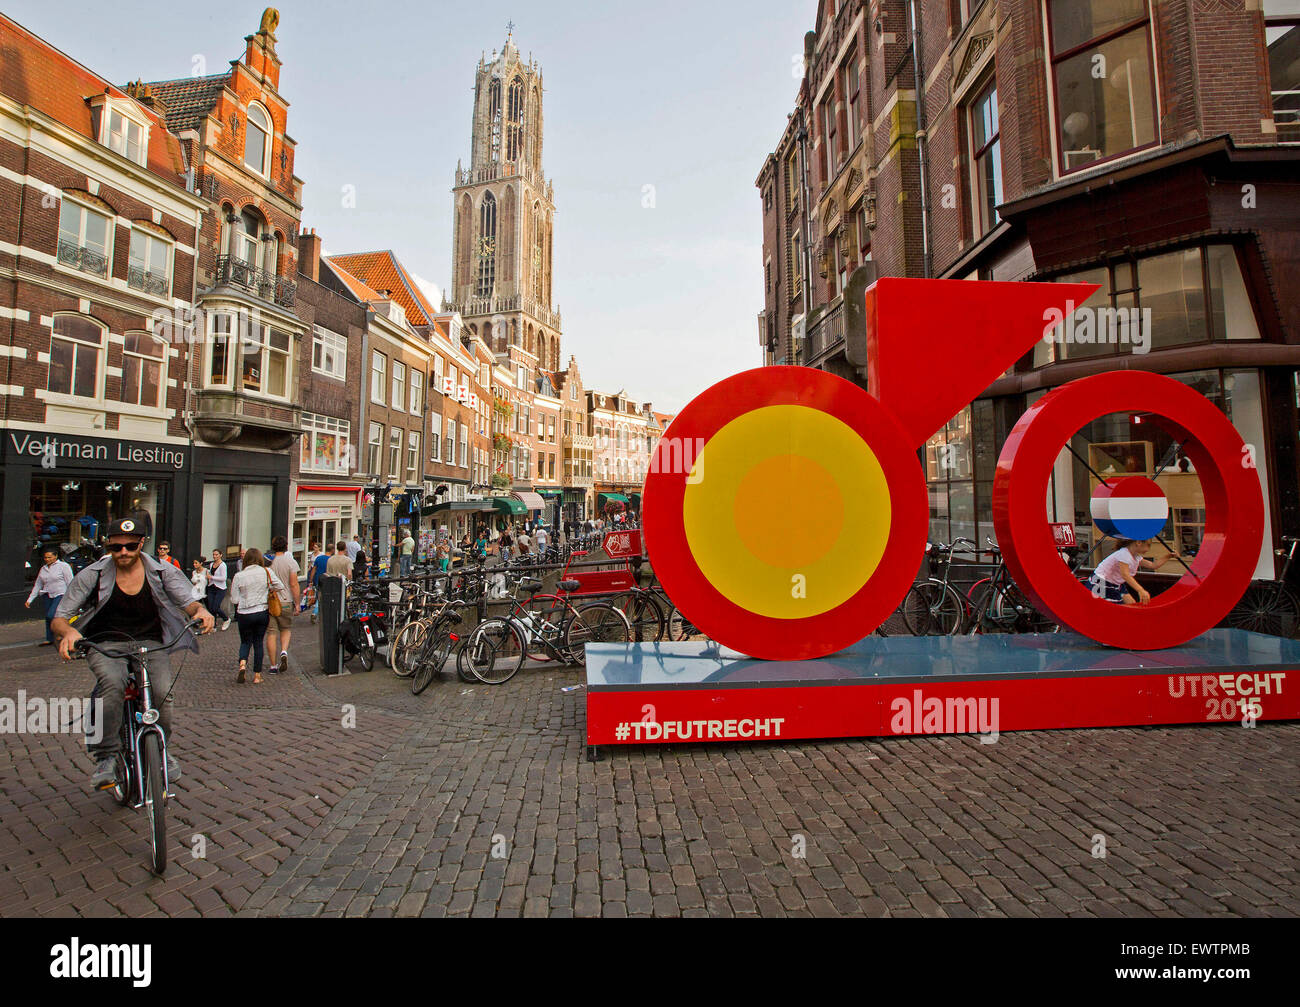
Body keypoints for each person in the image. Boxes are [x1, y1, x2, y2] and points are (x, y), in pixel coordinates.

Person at [52, 515, 215, 790]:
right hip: (105, 644)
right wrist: (68, 632)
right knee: (112, 685)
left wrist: (201, 611)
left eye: (130, 546)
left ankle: (162, 751)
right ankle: (106, 756)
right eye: (116, 547)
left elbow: (189, 603)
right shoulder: (92, 574)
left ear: (142, 543)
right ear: (108, 546)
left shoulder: (163, 571)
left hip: (150, 643)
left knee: (162, 692)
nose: (123, 552)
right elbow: (61, 617)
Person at [229, 548, 285, 685]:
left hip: (244, 613)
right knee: (258, 642)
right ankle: (257, 675)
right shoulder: (266, 572)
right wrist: (268, 589)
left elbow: (234, 600)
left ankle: (242, 664)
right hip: (261, 611)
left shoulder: (239, 575)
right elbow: (280, 585)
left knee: (245, 641)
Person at [1089, 539, 1179, 605]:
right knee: (1108, 607)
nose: (1148, 549)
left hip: (1115, 583)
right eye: (1148, 545)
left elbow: (1153, 565)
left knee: (1131, 604)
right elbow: (1125, 575)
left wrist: (1168, 556)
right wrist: (1141, 590)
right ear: (1138, 542)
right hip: (1101, 582)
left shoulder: (1135, 557)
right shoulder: (1124, 554)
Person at [265, 535, 301, 674]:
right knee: (285, 629)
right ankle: (284, 651)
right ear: (286, 546)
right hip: (286, 600)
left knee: (271, 633)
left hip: (271, 601)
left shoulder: (269, 562)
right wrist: (297, 603)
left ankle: (273, 666)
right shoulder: (290, 561)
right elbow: (293, 584)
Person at [26, 548, 75, 646]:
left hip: (60, 594)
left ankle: (61, 633)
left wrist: (72, 597)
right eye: (45, 557)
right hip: (47, 594)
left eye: (49, 557)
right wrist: (30, 599)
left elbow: (70, 581)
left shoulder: (63, 566)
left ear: (55, 556)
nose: (47, 559)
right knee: (48, 617)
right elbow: (38, 584)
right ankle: (50, 638)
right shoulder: (43, 569)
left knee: (51, 615)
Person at [307, 542, 332, 624]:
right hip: (328, 580)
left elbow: (313, 569)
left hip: (318, 580)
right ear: (332, 550)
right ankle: (322, 615)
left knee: (319, 597)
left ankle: (315, 613)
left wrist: (311, 580)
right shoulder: (331, 559)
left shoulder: (319, 558)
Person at [206, 549, 231, 631]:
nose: (214, 556)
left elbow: (224, 578)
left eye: (216, 554)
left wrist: (212, 577)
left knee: (215, 607)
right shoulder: (211, 564)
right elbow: (210, 573)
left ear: (221, 555)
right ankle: (213, 625)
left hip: (220, 588)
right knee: (210, 607)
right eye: (213, 554)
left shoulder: (223, 565)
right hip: (211, 587)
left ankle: (226, 619)